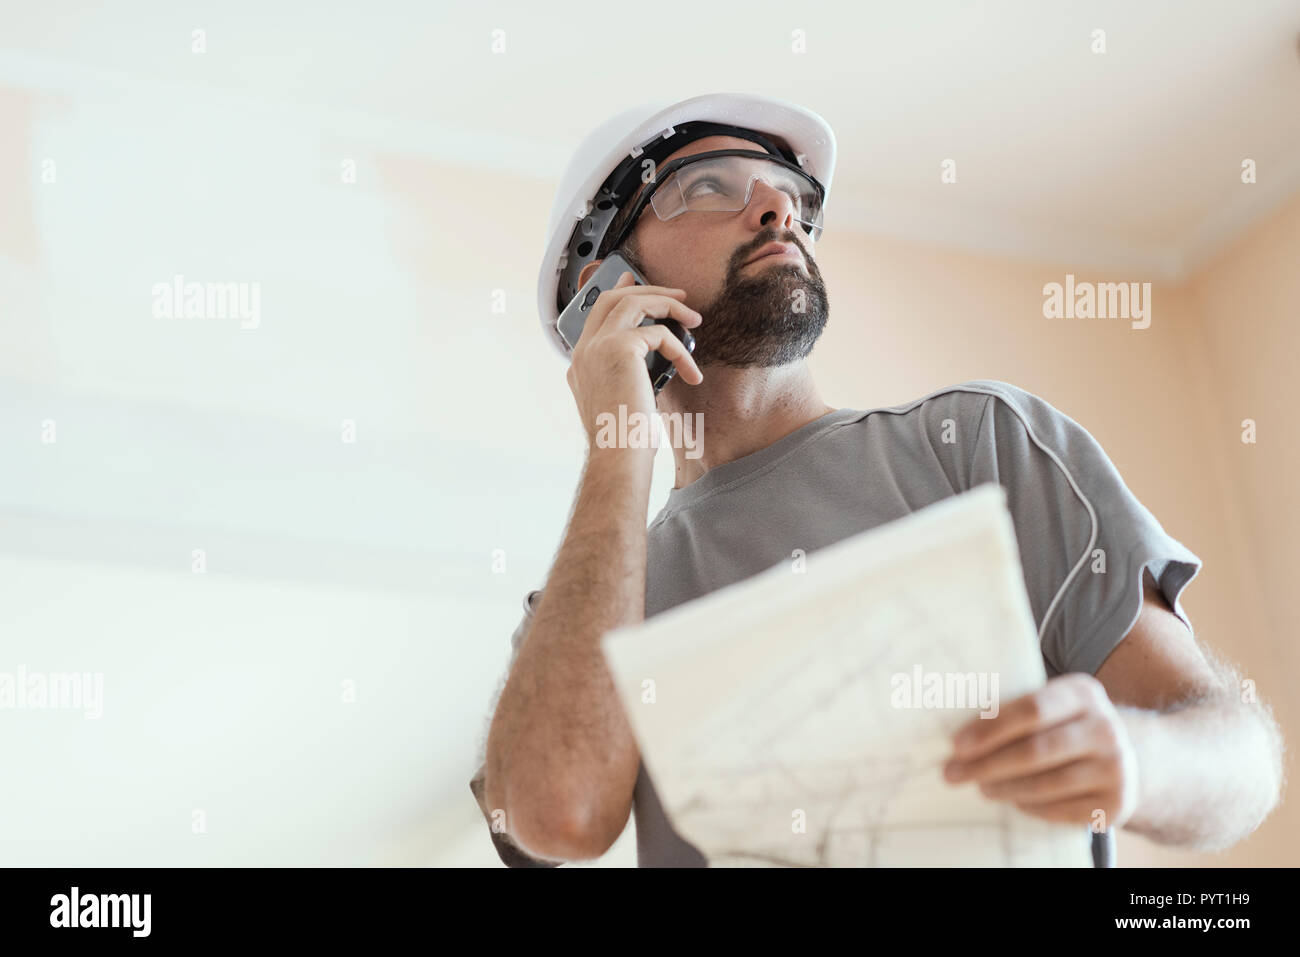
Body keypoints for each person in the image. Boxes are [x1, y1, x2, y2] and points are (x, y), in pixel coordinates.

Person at [469, 93, 1283, 867]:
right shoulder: (594, 602)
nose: (777, 210)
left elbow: (1237, 755)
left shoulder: (979, 446)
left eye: (790, 194)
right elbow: (555, 815)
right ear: (601, 290)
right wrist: (619, 446)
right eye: (705, 184)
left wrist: (1134, 758)